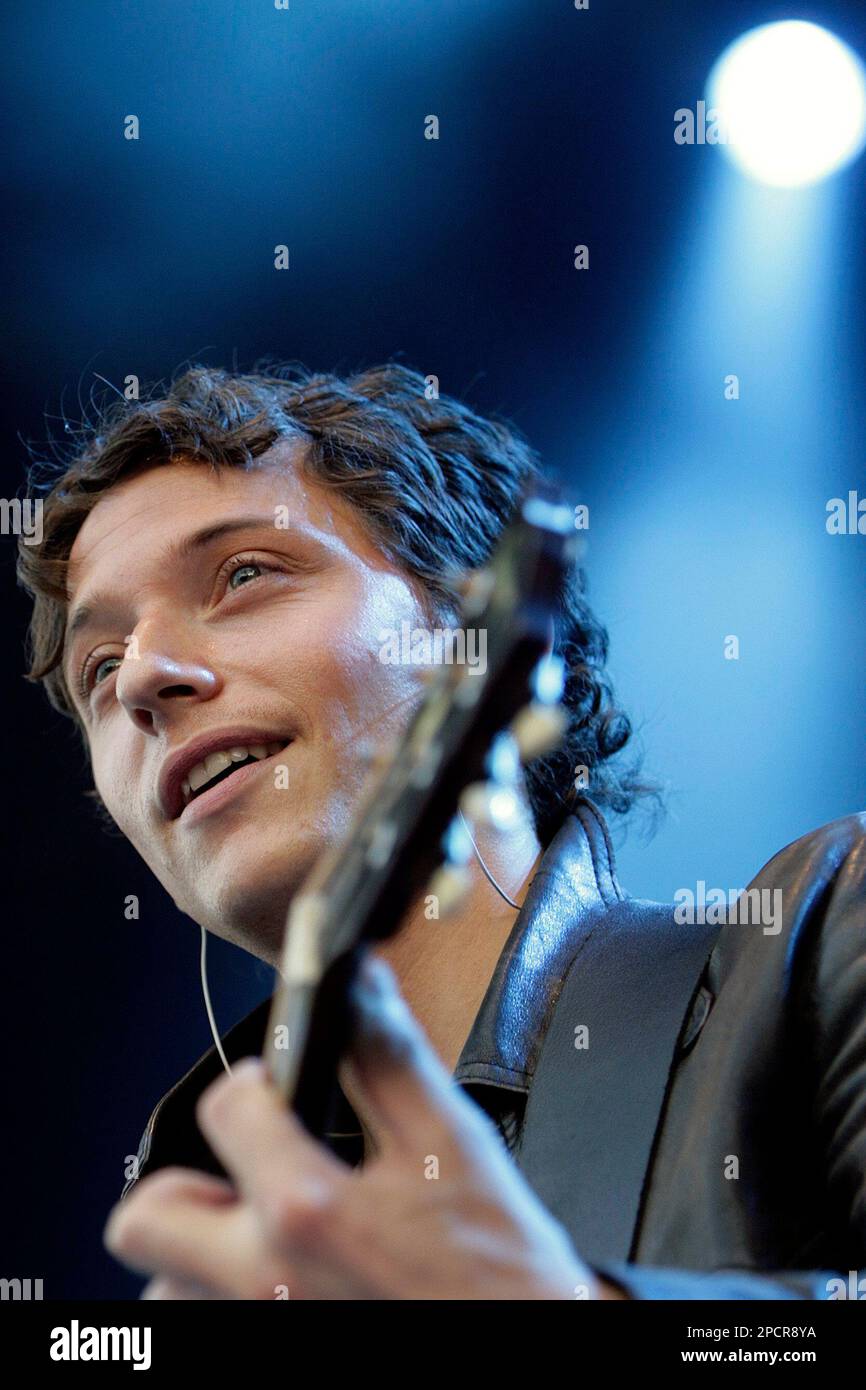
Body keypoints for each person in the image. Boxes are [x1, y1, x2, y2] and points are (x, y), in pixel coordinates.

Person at [18, 363, 866, 1300]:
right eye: (100, 666)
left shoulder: (825, 934)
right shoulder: (206, 1217)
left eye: (244, 574)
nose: (140, 679)